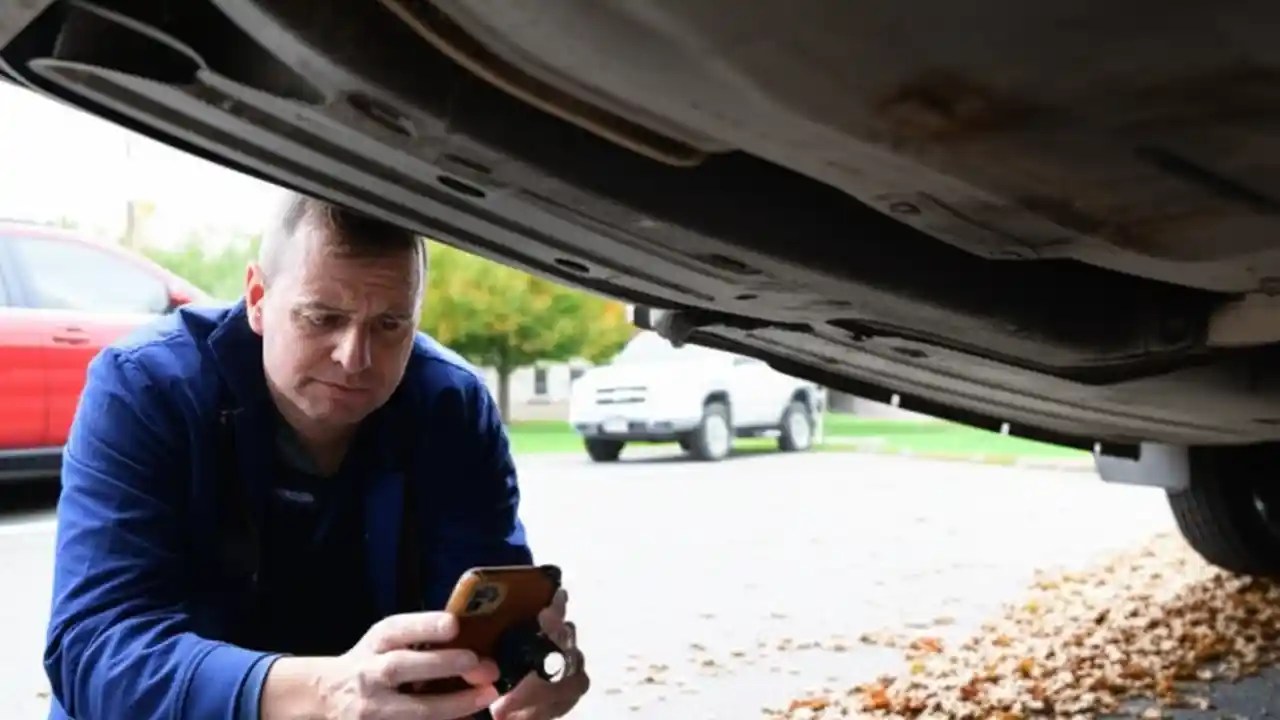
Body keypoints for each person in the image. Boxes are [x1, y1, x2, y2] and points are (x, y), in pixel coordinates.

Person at [42, 194, 590, 720]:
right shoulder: (146, 388)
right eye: (322, 318)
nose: (354, 358)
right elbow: (93, 650)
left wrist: (528, 662)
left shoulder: (450, 405)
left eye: (390, 325)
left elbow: (482, 612)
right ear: (257, 299)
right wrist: (323, 691)